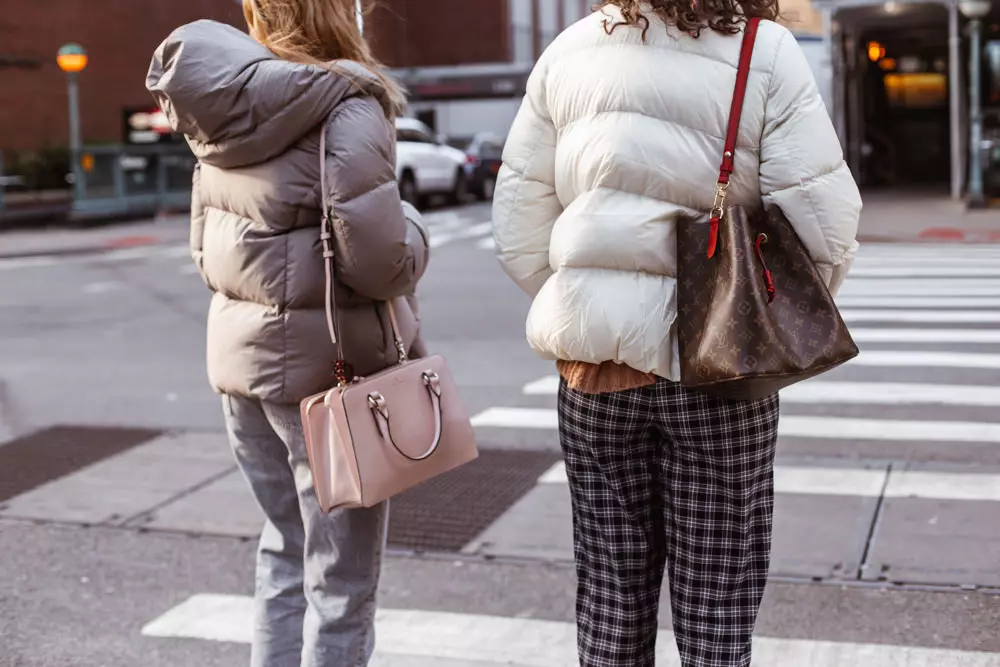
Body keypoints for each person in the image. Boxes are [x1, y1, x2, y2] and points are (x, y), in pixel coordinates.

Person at [492, 2, 861, 667]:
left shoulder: (568, 52)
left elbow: (518, 232)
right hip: (721, 372)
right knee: (717, 610)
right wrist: (762, 316)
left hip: (594, 374)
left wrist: (597, 306)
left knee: (610, 600)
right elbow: (825, 226)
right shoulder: (764, 51)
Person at [146, 1, 429, 665]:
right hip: (328, 380)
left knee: (282, 551)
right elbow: (379, 260)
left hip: (242, 371)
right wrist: (415, 229)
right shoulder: (349, 103)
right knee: (342, 583)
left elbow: (203, 248)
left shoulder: (219, 108)